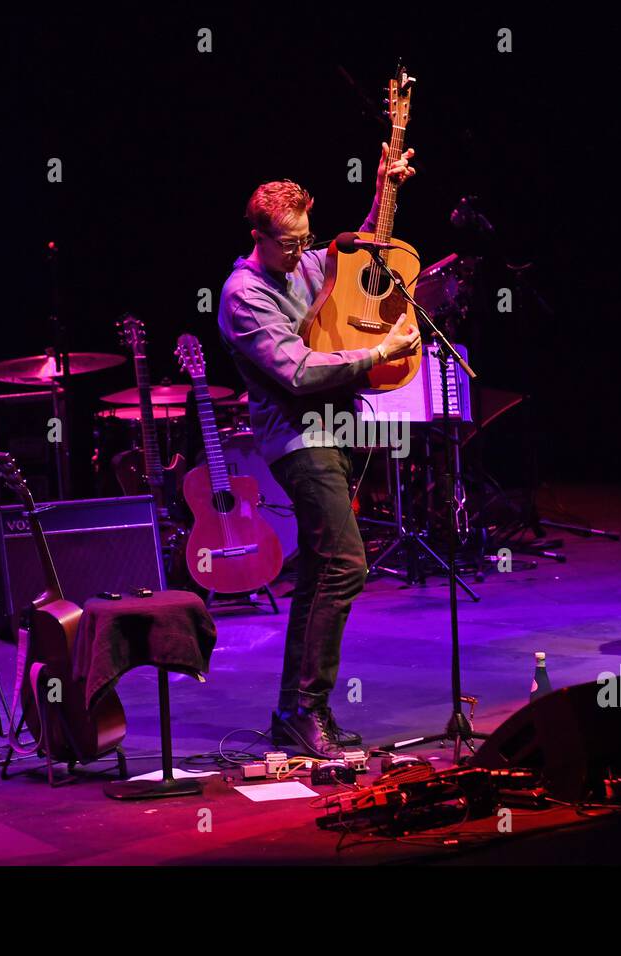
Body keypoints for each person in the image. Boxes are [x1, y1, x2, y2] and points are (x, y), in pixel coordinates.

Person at [217, 145, 420, 756]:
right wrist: (379, 352)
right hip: (298, 438)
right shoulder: (243, 295)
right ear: (257, 234)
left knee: (315, 573)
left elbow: (355, 256)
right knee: (346, 564)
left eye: (306, 239)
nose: (300, 252)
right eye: (288, 243)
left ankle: (291, 714)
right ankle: (312, 709)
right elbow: (300, 371)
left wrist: (384, 188)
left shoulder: (307, 261)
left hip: (341, 427)